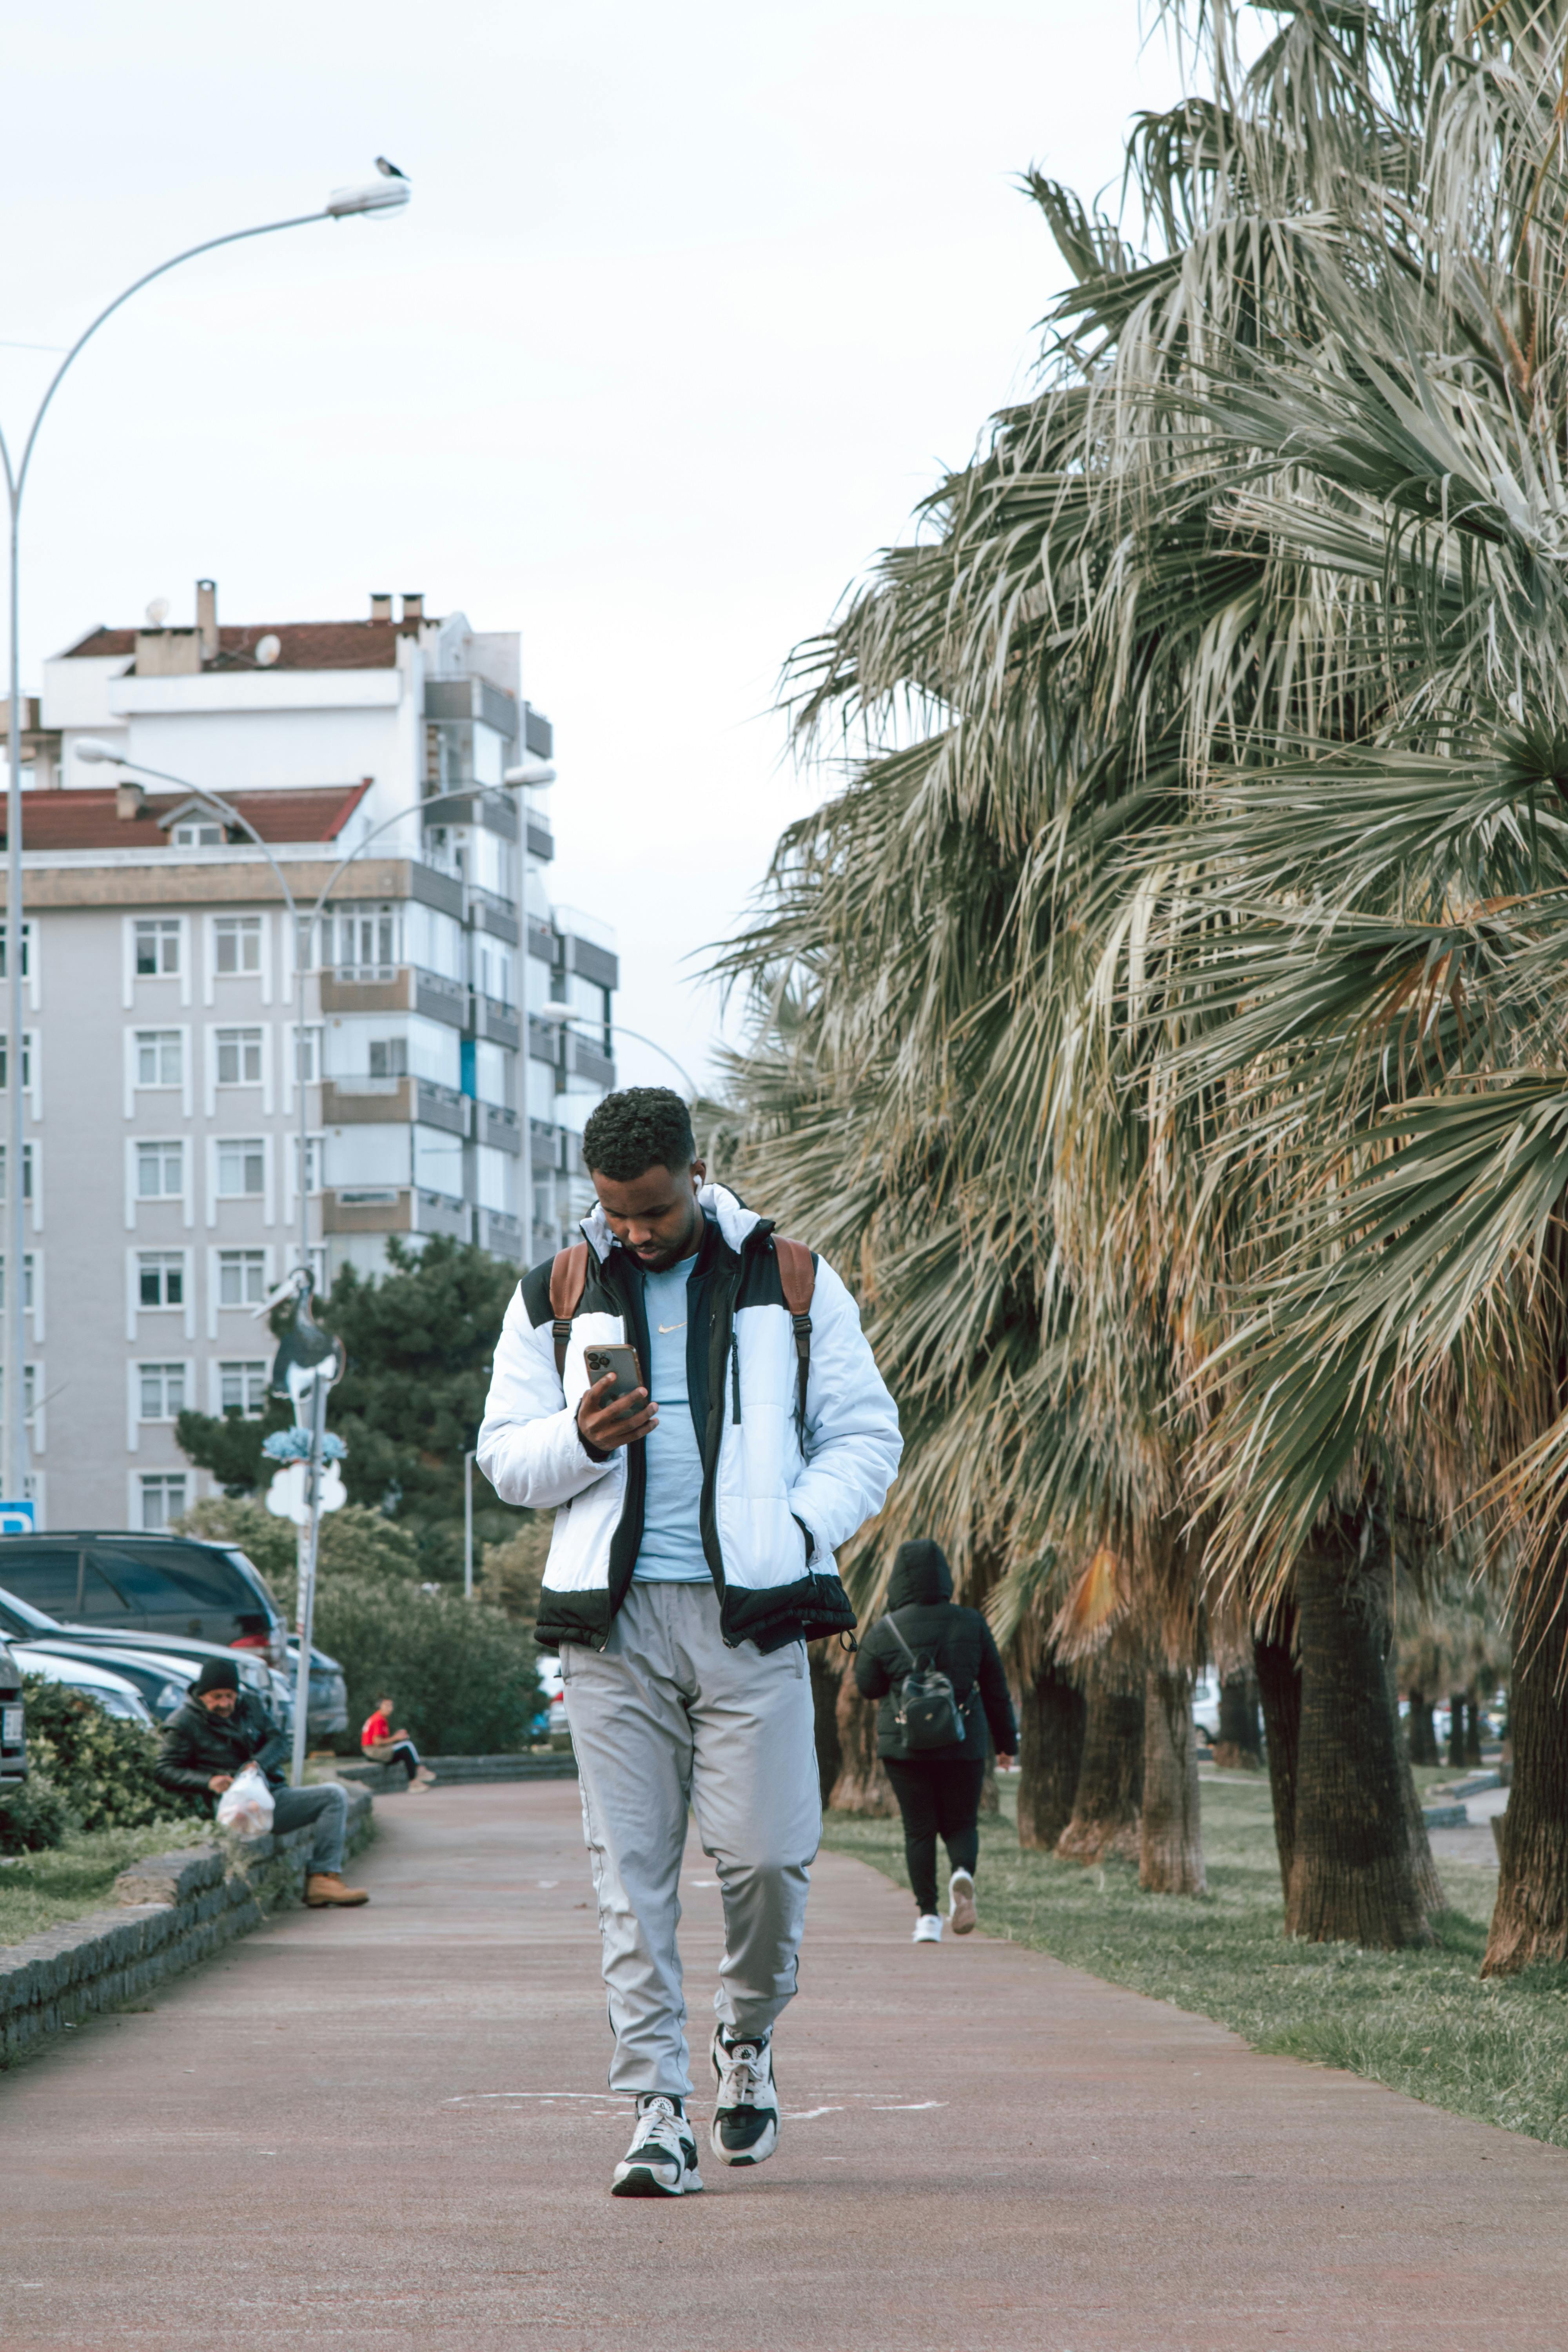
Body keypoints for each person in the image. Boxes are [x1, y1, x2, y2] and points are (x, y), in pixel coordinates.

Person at [478, 1085, 901, 2200]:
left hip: (748, 1617)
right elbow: (504, 1460)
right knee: (632, 1877)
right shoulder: (556, 1293)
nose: (636, 1232)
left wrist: (798, 1525)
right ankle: (657, 2110)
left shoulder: (791, 1277)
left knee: (767, 1858)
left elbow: (865, 1432)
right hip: (610, 1629)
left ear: (696, 1175)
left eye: (655, 1210)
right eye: (616, 1212)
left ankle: (746, 2040)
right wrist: (577, 1438)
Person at [854, 1539, 1017, 1944]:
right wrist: (1006, 1743)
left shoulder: (883, 1630)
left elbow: (868, 1688)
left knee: (919, 1830)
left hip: (904, 1746)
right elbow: (995, 1686)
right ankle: (962, 1873)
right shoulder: (971, 1622)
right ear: (945, 1576)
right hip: (962, 1741)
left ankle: (928, 1917)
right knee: (961, 1822)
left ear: (897, 1581)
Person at [155, 1659, 369, 1907]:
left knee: (334, 1796)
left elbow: (279, 1742)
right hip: (230, 1808)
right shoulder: (183, 1722)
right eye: (217, 1697)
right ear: (202, 1695)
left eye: (230, 1696)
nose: (225, 1704)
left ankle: (323, 1879)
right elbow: (164, 1770)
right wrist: (209, 1781)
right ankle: (322, 1881)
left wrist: (258, 1764)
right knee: (332, 1797)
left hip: (270, 1796)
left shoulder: (251, 1706)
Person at [361, 1696, 436, 1792]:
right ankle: (419, 1770)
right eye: (387, 1705)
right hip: (373, 1752)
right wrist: (396, 1738)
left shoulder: (380, 1718)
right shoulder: (379, 1719)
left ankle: (414, 1782)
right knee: (407, 1745)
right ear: (380, 1706)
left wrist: (397, 1737)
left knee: (405, 1751)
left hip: (375, 1751)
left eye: (391, 1706)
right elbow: (378, 1742)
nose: (390, 1708)